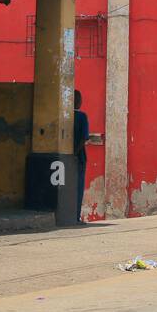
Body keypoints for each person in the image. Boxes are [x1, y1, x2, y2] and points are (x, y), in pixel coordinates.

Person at [73, 90, 90, 220]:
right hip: (79, 158)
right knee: (78, 188)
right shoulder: (82, 117)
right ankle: (76, 216)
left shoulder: (64, 116)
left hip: (64, 156)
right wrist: (76, 153)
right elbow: (84, 138)